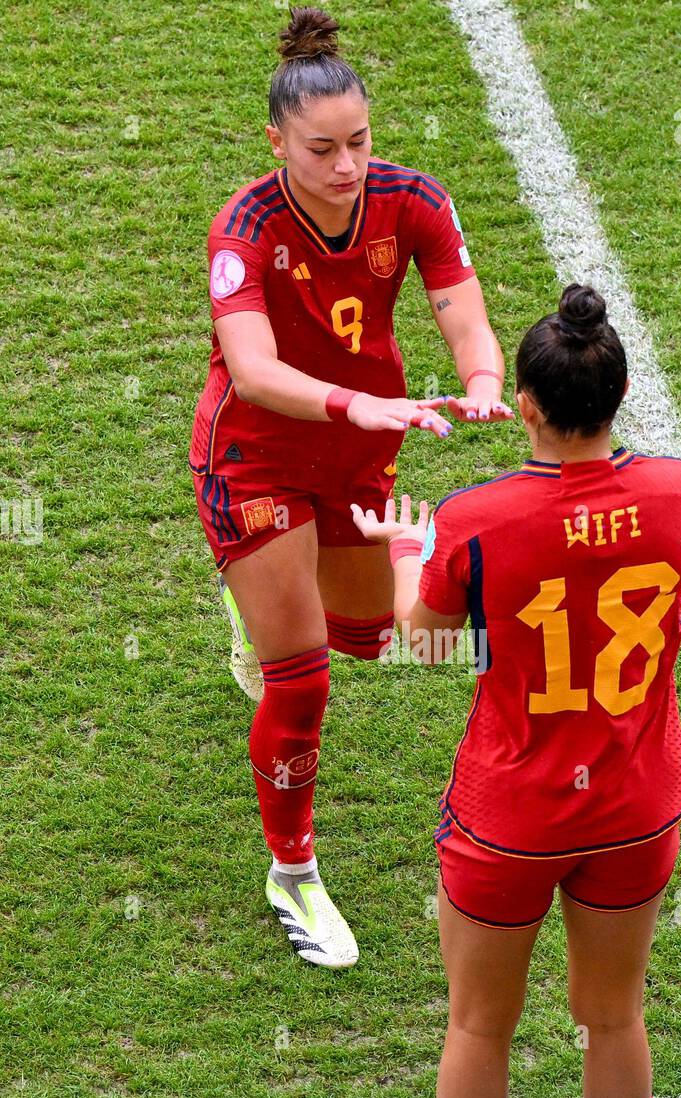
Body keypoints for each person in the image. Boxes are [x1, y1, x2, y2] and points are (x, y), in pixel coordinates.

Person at [352, 283, 681, 1098]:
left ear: (522, 404)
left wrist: (401, 550)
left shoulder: (474, 517)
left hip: (510, 815)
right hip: (634, 806)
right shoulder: (677, 493)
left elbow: (418, 643)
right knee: (613, 1012)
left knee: (478, 1023)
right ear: (620, 394)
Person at [188, 7, 513, 968]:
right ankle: (292, 869)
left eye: (359, 141)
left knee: (369, 642)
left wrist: (486, 384)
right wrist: (352, 404)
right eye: (322, 148)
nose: (346, 165)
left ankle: (269, 608)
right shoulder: (244, 226)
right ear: (276, 140)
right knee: (303, 676)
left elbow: (461, 310)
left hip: (359, 449)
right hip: (258, 456)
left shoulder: (413, 200)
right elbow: (249, 370)